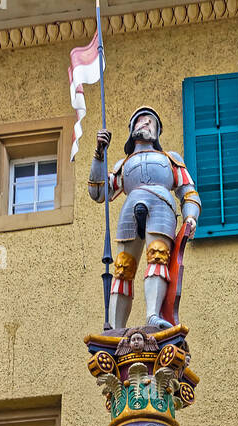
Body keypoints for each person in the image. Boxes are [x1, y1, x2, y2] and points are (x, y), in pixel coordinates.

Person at [88, 106, 201, 330]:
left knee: (158, 256)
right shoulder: (123, 164)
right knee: (122, 266)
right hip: (130, 207)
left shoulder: (170, 159)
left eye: (151, 122)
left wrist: (190, 215)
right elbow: (99, 192)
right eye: (141, 120)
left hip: (162, 206)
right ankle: (116, 327)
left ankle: (152, 315)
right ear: (132, 130)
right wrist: (99, 155)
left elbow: (188, 190)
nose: (146, 124)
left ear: (157, 132)